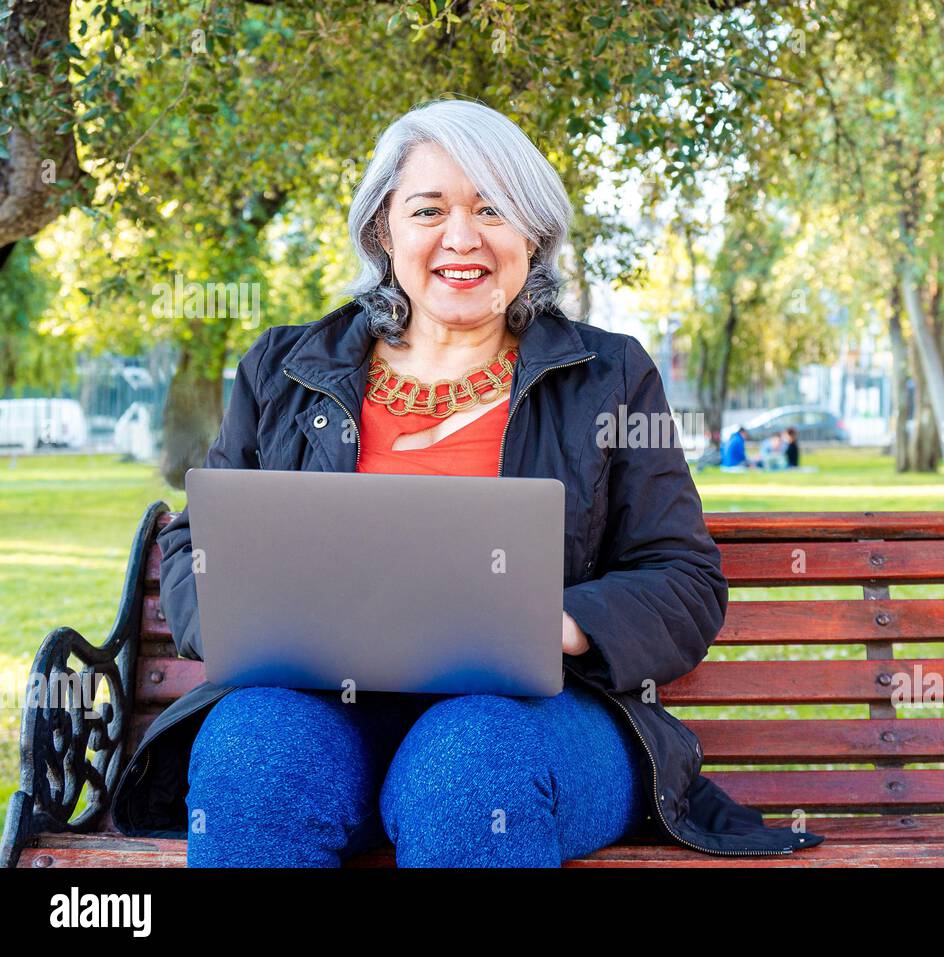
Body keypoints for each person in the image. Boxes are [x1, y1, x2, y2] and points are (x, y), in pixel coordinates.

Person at [108, 98, 823, 866]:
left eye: (492, 208)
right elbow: (193, 546)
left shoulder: (609, 376)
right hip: (319, 705)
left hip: (537, 716)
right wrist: (250, 623)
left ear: (532, 233)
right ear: (384, 229)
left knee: (464, 765)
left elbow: (683, 581)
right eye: (429, 209)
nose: (461, 238)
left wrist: (556, 623)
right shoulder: (285, 369)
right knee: (254, 751)